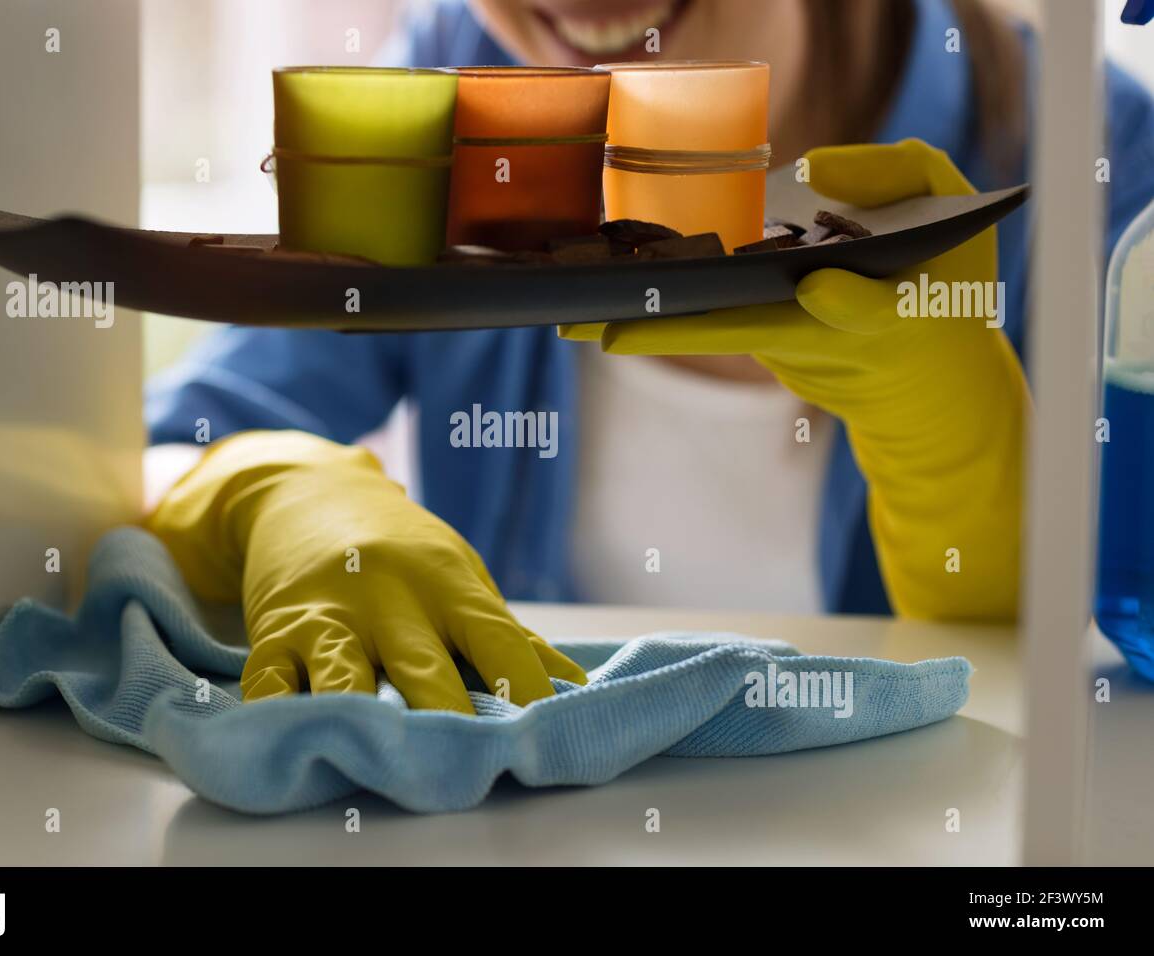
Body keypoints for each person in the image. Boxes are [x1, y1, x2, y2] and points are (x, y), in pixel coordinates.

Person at [144, 0, 1154, 712]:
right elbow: (143, 450)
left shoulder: (1113, 160)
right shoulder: (448, 91)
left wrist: (967, 472)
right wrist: (276, 487)